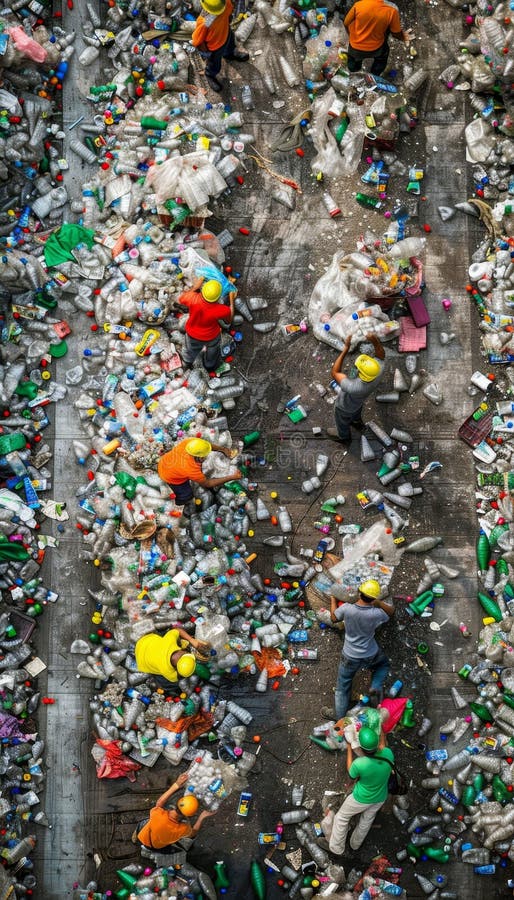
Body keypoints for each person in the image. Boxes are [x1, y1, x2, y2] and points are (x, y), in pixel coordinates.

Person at [321, 579, 394, 720]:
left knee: (342, 687)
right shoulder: (376, 613)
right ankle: (375, 686)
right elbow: (391, 612)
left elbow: (333, 618)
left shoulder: (347, 609)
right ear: (373, 598)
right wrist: (378, 603)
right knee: (383, 665)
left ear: (359, 593)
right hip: (371, 653)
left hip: (349, 655)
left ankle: (338, 716)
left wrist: (333, 600)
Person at [327, 726, 394, 855]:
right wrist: (380, 729)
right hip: (380, 796)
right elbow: (382, 743)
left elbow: (351, 775)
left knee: (341, 818)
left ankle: (337, 848)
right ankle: (355, 845)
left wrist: (348, 748)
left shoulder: (360, 764)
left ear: (361, 748)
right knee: (366, 820)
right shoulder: (388, 754)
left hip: (361, 798)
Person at [326, 332, 385, 448]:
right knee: (356, 412)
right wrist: (374, 340)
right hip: (358, 404)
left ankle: (344, 437)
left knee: (341, 421)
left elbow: (335, 372)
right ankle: (357, 422)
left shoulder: (353, 387)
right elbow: (381, 355)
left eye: (358, 367)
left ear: (362, 374)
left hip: (344, 407)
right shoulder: (378, 372)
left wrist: (345, 349)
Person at [135, 771, 215, 850]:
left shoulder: (157, 815)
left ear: (177, 804)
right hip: (157, 846)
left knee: (145, 823)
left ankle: (135, 836)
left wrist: (176, 784)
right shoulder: (182, 829)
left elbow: (159, 803)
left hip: (142, 836)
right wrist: (201, 818)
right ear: (188, 816)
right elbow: (192, 834)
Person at [157, 437, 241, 505]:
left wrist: (222, 449)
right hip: (168, 476)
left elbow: (207, 446)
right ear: (199, 457)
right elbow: (208, 484)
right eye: (205, 456)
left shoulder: (190, 443)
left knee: (196, 473)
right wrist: (232, 477)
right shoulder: (191, 469)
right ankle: (180, 503)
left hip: (165, 461)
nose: (206, 456)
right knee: (187, 495)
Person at [177, 277, 235, 372]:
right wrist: (231, 299)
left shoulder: (192, 298)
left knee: (190, 349)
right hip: (211, 336)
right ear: (218, 298)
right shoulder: (221, 309)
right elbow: (228, 321)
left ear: (202, 291)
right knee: (212, 351)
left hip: (192, 335)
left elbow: (182, 298)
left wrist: (196, 287)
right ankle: (209, 365)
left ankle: (187, 362)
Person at [343, 0, 414, 77]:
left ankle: (354, 71)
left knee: (353, 60)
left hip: (355, 48)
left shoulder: (358, 5)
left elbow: (346, 23)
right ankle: (375, 74)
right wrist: (403, 36)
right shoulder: (391, 11)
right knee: (383, 56)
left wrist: (352, 35)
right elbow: (395, 33)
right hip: (376, 49)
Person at [191, 0, 249, 93]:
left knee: (230, 45)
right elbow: (198, 42)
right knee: (214, 63)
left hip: (225, 33)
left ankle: (230, 54)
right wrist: (207, 52)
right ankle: (210, 75)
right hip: (214, 47)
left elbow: (229, 14)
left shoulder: (225, 4)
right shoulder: (205, 22)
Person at [134, 626, 211, 685]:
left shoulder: (169, 641)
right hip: (141, 661)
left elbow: (177, 630)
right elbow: (179, 677)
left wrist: (192, 641)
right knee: (167, 684)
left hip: (143, 642)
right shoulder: (169, 673)